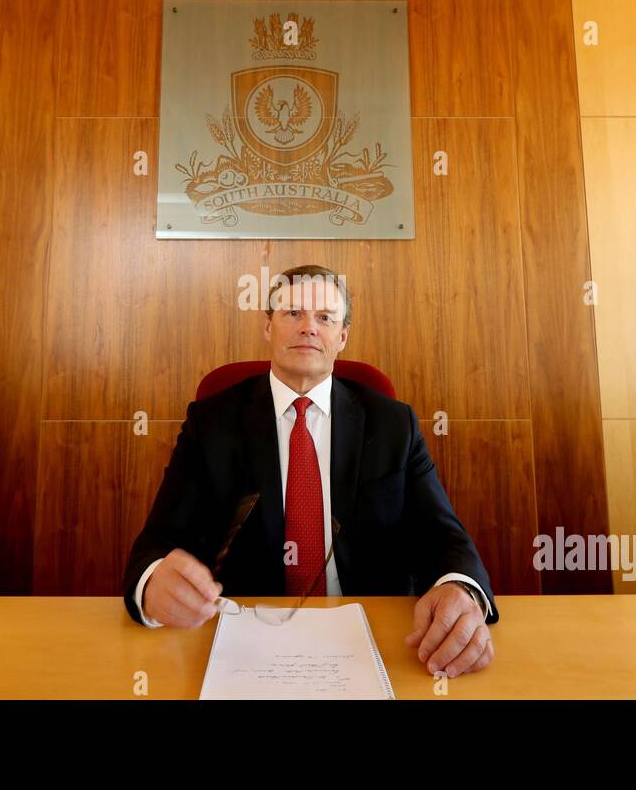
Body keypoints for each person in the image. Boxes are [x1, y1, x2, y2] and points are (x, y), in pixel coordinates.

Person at [122, 265, 497, 678]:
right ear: (268, 327)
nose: (308, 328)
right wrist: (153, 584)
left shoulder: (393, 425)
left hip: (376, 640)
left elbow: (442, 536)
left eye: (324, 318)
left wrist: (461, 589)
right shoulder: (211, 422)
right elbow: (155, 546)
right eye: (292, 314)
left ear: (343, 336)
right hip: (242, 642)